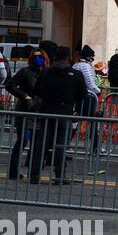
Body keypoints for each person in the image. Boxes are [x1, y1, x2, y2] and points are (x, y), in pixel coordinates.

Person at [30, 47, 84, 184]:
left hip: (47, 111)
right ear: (69, 57)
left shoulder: (46, 73)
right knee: (61, 146)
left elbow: (37, 91)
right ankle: (59, 175)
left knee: (41, 144)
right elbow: (82, 96)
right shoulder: (76, 75)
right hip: (65, 113)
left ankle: (35, 174)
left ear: (54, 57)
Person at [5, 49, 45, 180]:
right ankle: (13, 171)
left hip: (39, 111)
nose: (38, 59)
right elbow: (10, 85)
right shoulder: (25, 71)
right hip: (25, 110)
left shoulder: (45, 73)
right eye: (36, 56)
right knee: (23, 140)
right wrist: (24, 96)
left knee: (36, 142)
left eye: (41, 56)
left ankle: (33, 171)